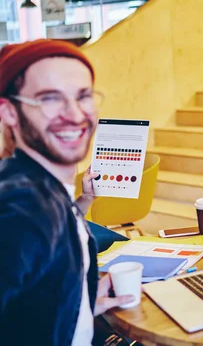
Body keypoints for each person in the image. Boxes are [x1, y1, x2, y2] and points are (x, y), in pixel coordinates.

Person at [0, 40, 134, 345]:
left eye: (83, 96)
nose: (75, 114)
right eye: (49, 99)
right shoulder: (22, 205)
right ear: (9, 112)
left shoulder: (46, 189)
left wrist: (79, 306)